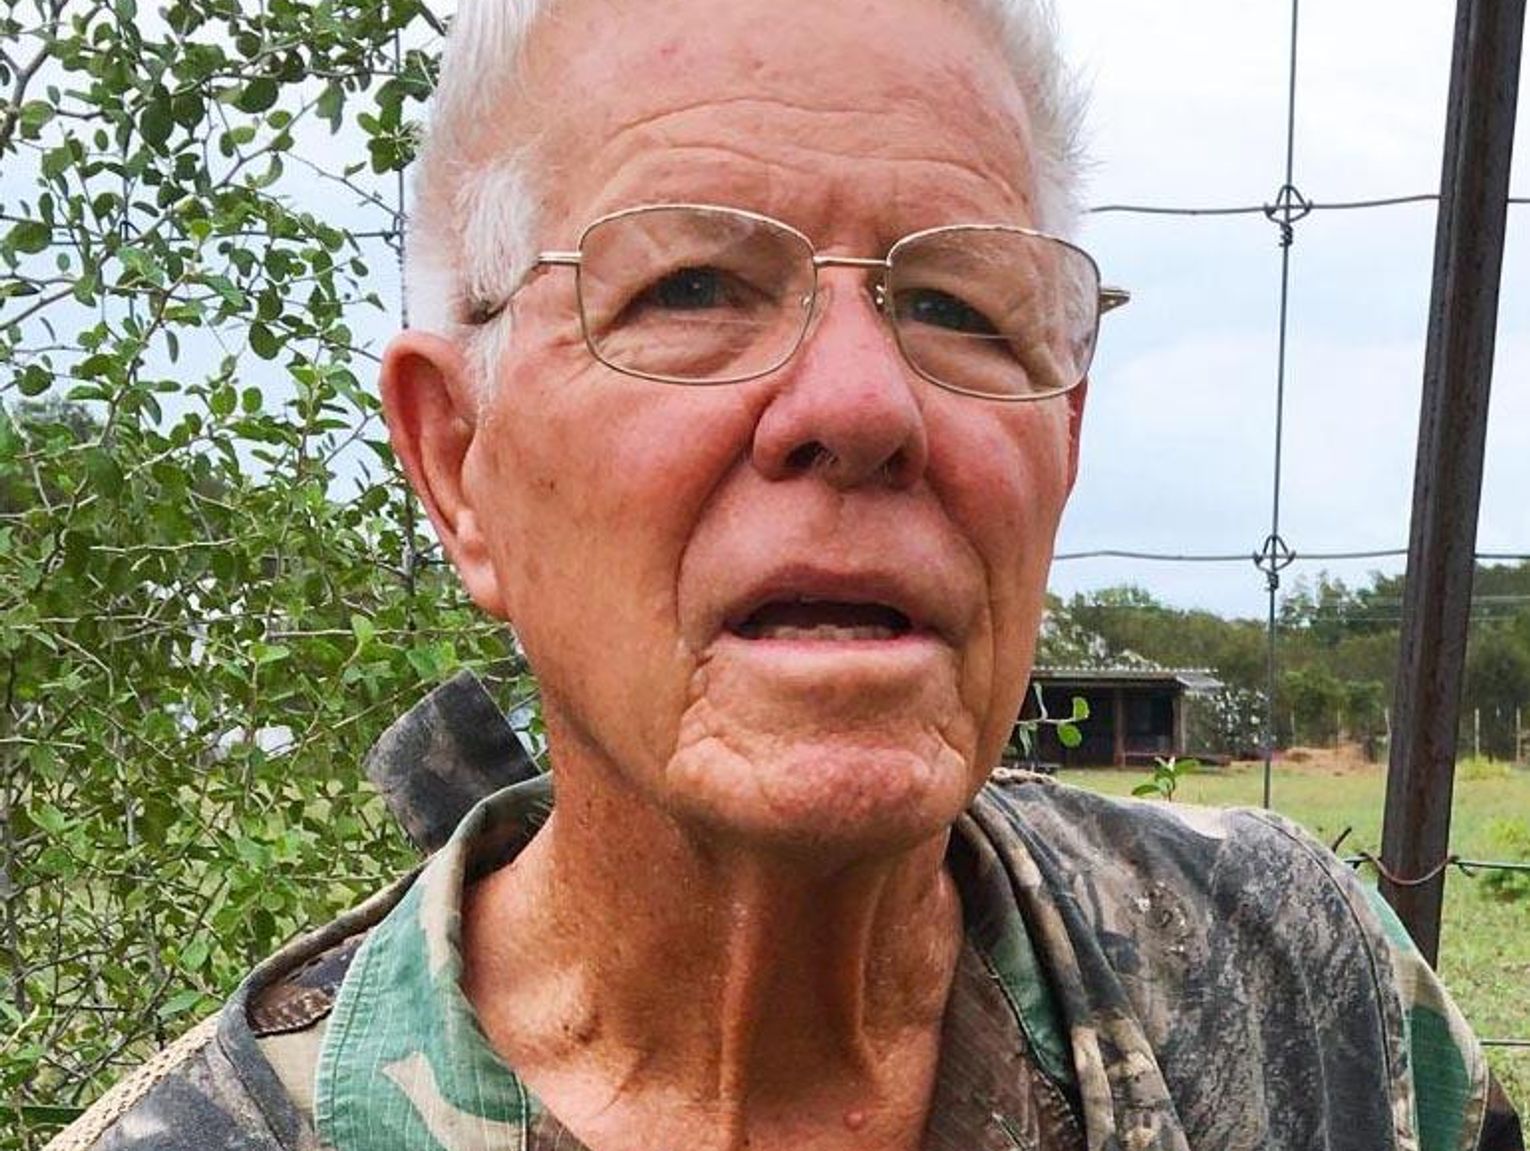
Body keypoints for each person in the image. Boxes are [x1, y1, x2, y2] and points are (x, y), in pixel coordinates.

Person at [49, 0, 1524, 1149]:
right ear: (458, 464)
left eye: (957, 306)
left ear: (1060, 441)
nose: (863, 405)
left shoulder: (1290, 982)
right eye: (686, 287)